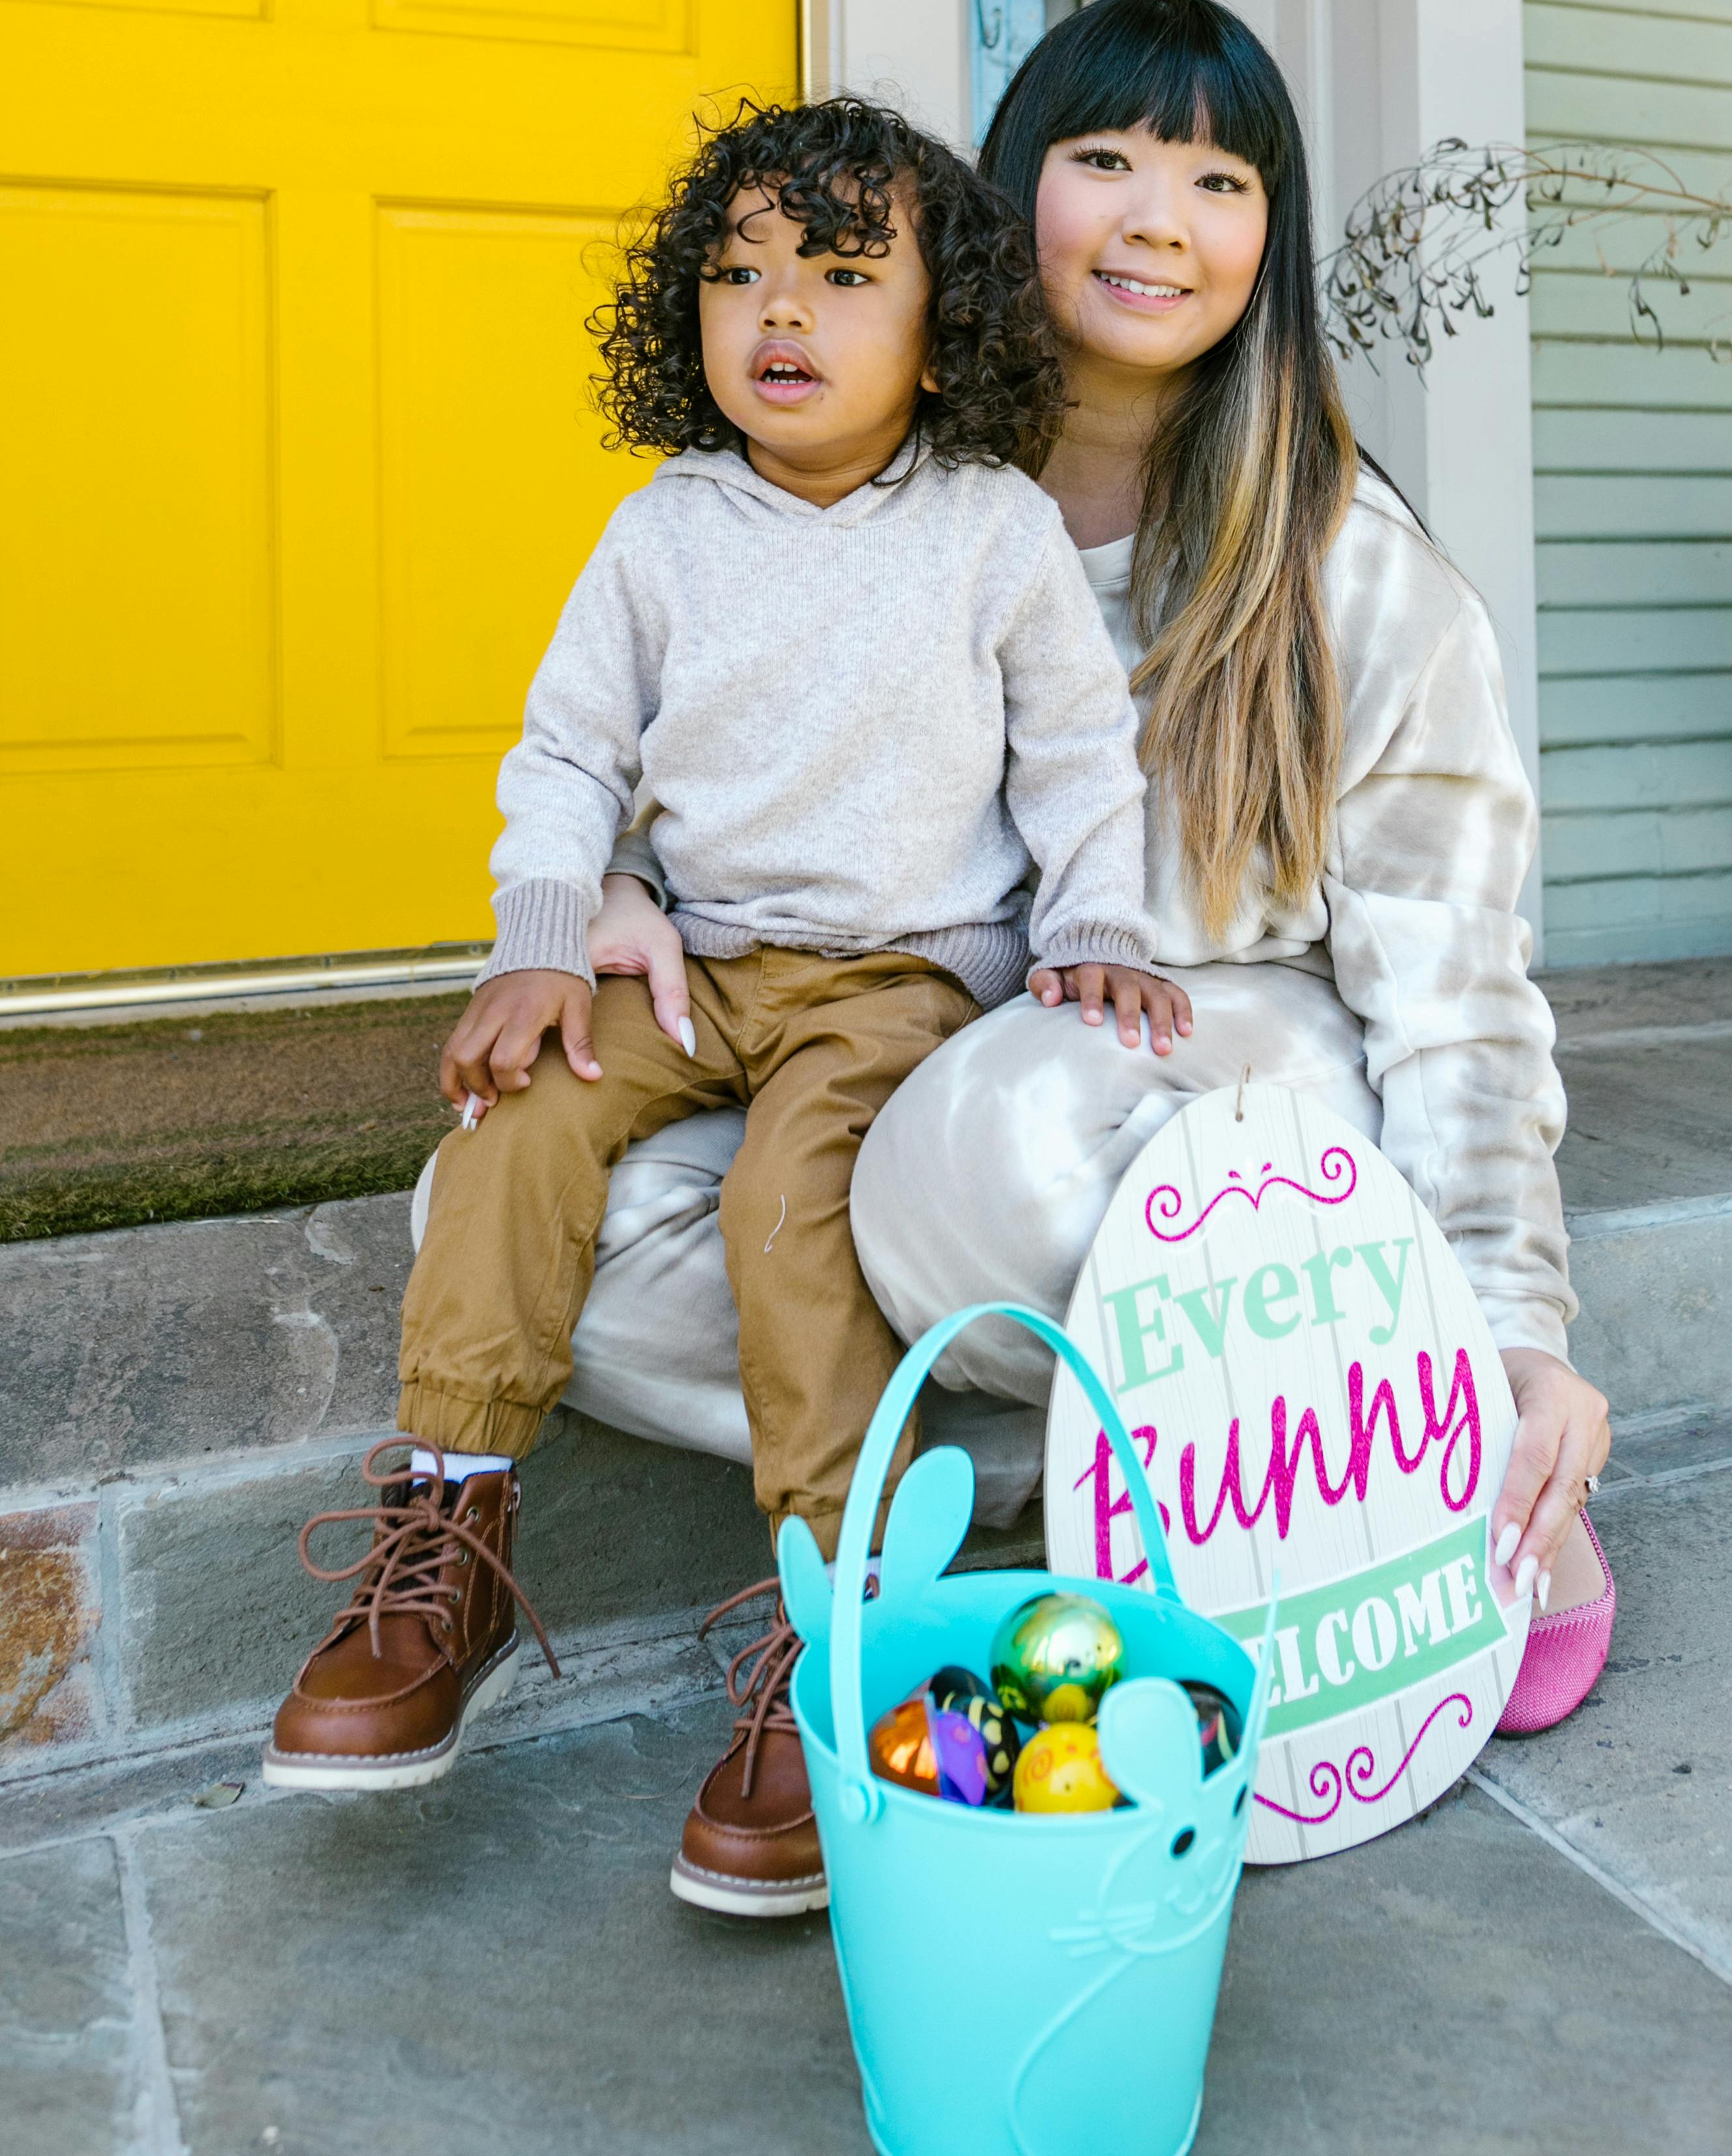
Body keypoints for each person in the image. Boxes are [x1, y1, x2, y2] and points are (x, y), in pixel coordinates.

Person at [585, 0, 1615, 1836]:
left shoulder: (1354, 576)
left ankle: (1397, 1439)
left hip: (1201, 1070)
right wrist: (622, 884)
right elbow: (692, 775)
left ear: (1263, 245)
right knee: (531, 1218)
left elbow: (1457, 996)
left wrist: (1507, 1336)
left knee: (982, 1137)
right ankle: (1100, 1482)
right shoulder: (831, 503)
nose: (1157, 218)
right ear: (1009, 196)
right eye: (1105, 159)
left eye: (1218, 179)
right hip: (880, 1033)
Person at [261, 94, 1188, 1922]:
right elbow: (566, 753)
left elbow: (1085, 757)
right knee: (521, 1131)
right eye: (740, 276)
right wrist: (543, 936)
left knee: (791, 1195)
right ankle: (448, 1529)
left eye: (842, 279)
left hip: (902, 976)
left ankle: (841, 1626)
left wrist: (1098, 923)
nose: (782, 315)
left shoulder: (991, 531)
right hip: (689, 953)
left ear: (943, 335)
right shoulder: (664, 530)